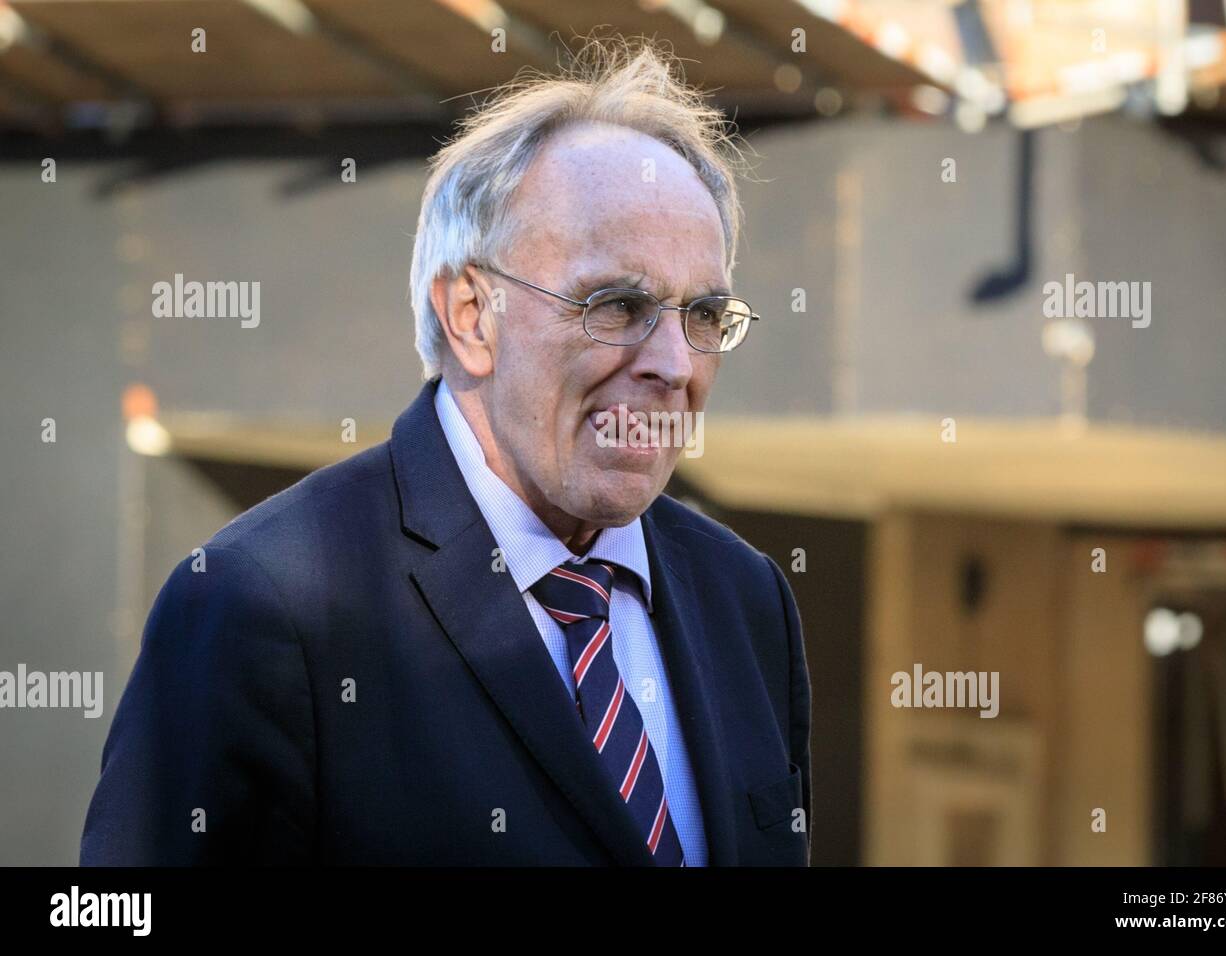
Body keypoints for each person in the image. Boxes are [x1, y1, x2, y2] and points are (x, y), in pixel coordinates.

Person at [80, 39, 810, 866]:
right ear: (471, 314)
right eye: (618, 304)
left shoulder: (746, 601)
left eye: (704, 315)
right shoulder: (264, 604)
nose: (675, 365)